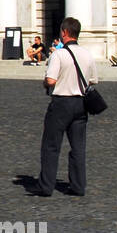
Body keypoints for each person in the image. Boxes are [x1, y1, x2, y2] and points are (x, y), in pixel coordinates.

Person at [29, 16, 97, 197]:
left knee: (51, 145)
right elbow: (93, 80)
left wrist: (46, 83)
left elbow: (51, 80)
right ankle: (78, 186)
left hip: (61, 103)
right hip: (81, 103)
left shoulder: (58, 54)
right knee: (78, 147)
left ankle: (46, 186)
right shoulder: (87, 54)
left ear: (65, 32)